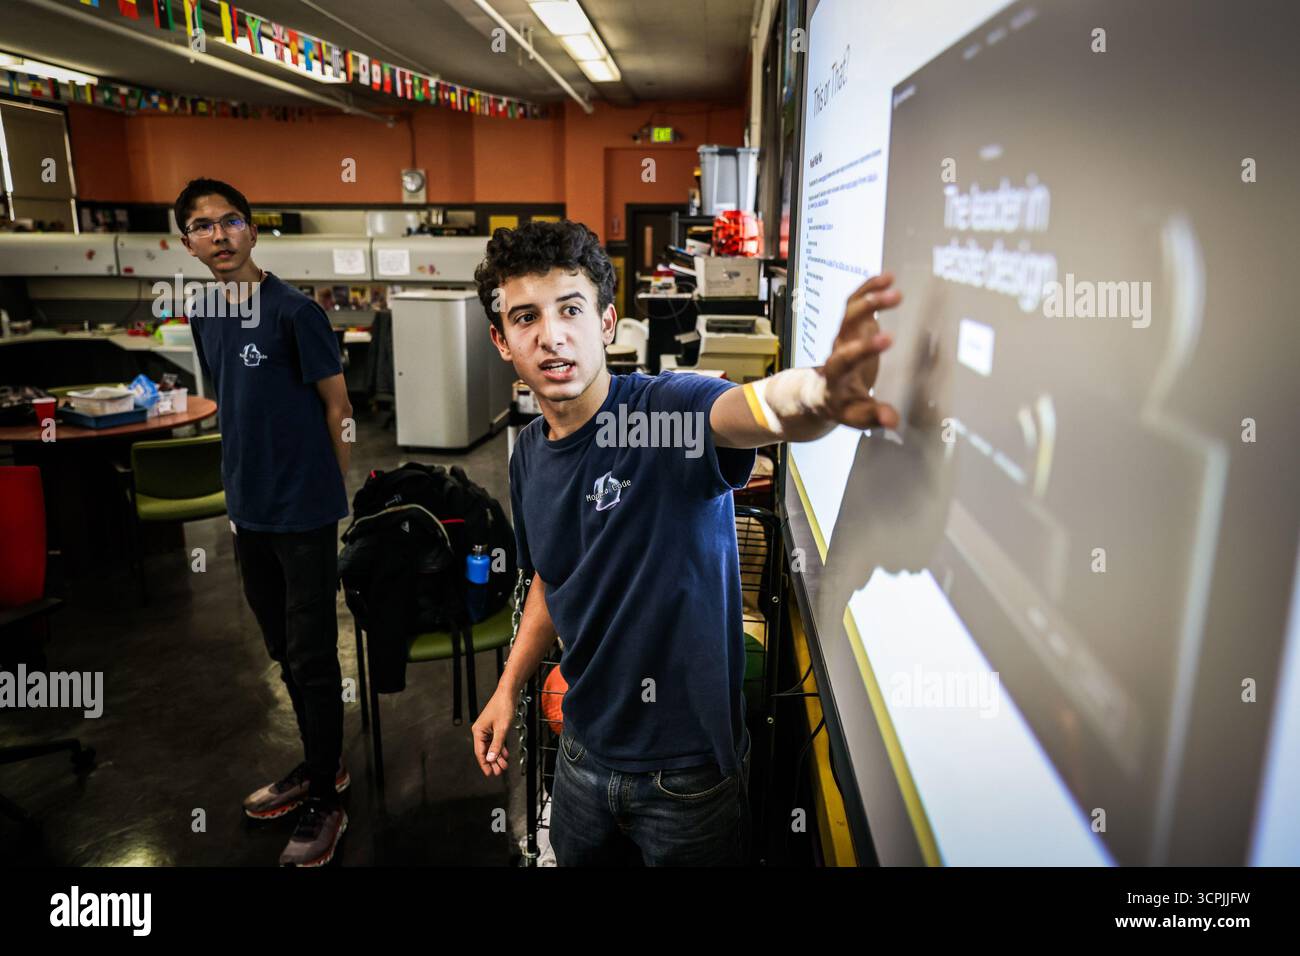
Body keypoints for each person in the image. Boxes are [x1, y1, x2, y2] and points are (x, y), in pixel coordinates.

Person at [470, 220, 900, 865]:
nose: (551, 334)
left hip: (687, 776)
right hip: (582, 755)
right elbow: (552, 581)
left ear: (607, 323)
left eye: (570, 309)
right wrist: (507, 688)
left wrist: (819, 393)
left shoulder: (660, 416)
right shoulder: (529, 453)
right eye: (526, 317)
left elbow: (750, 410)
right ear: (504, 342)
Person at [176, 178, 353, 867]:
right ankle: (322, 763)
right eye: (202, 226)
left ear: (252, 231)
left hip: (304, 510)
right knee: (282, 648)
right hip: (248, 511)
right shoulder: (203, 314)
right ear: (186, 242)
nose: (218, 236)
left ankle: (326, 801)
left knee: (312, 655)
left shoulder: (294, 312)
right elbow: (235, 409)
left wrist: (334, 489)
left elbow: (338, 406)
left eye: (229, 222)